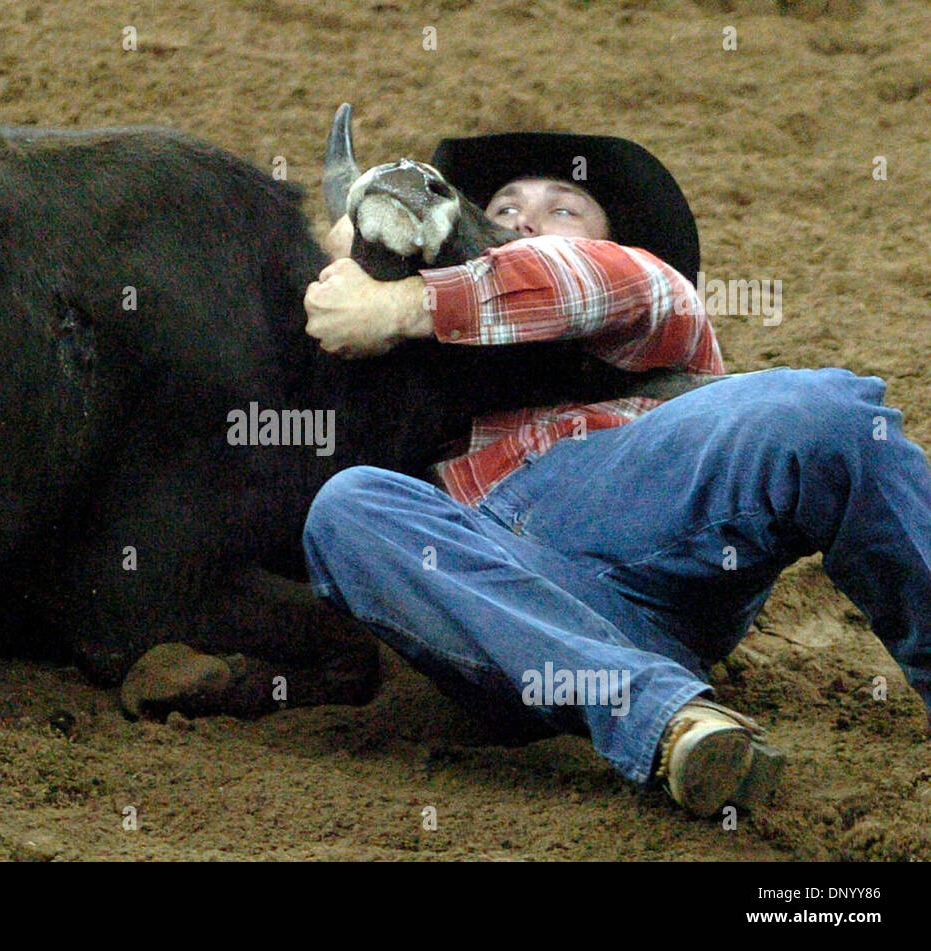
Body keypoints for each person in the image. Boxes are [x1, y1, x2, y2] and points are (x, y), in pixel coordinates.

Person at [301, 131, 931, 818]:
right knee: (347, 507)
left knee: (828, 411)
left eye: (564, 207)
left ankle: (652, 706)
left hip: (651, 500)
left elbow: (568, 277)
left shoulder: (639, 282)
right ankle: (670, 721)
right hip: (524, 605)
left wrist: (395, 305)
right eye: (504, 208)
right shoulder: (414, 403)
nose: (527, 220)